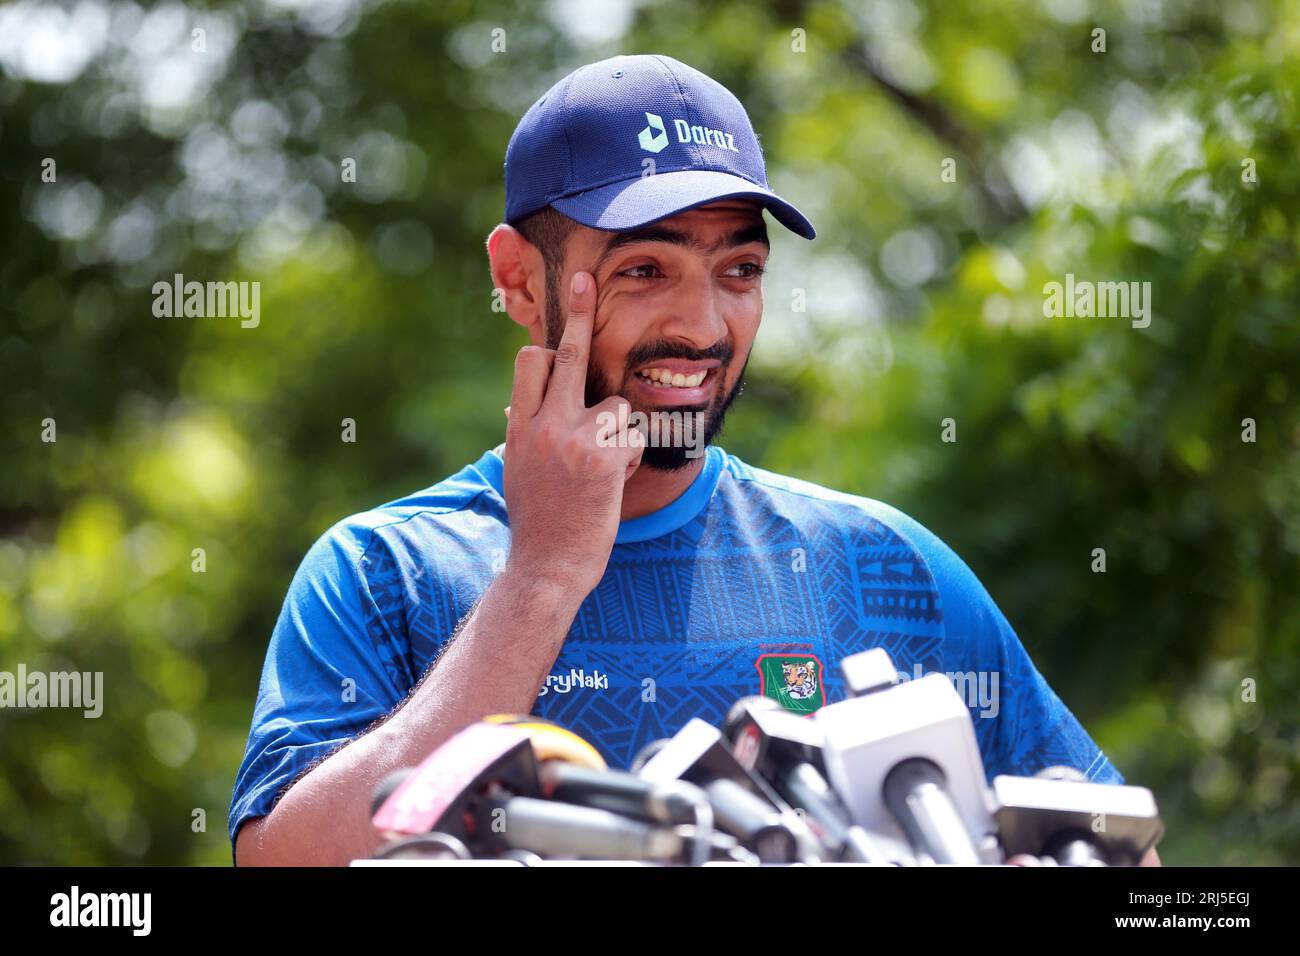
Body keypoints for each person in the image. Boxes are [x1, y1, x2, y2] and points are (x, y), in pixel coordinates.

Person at [230, 54, 1158, 866]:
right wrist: (542, 576)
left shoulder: (884, 566)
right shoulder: (384, 570)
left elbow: (1129, 863)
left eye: (740, 272)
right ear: (519, 278)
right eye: (645, 271)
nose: (704, 328)